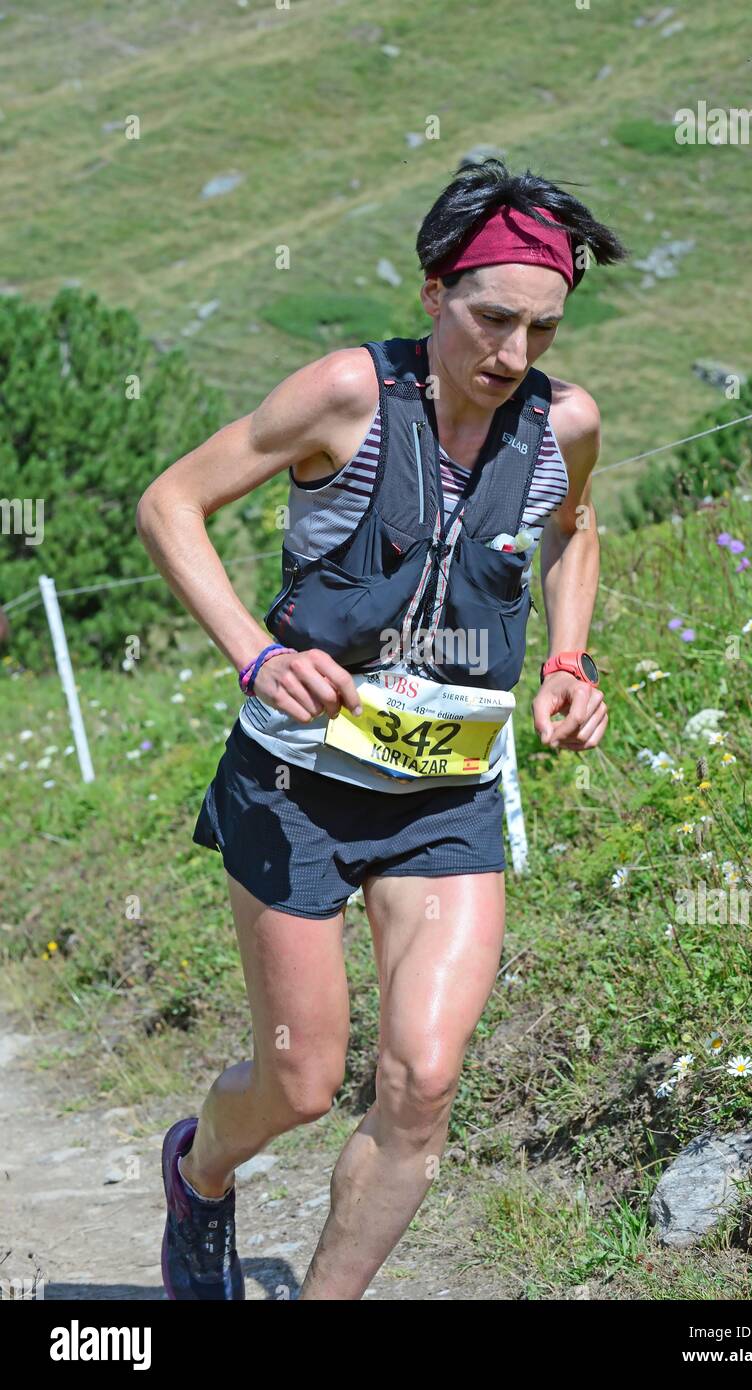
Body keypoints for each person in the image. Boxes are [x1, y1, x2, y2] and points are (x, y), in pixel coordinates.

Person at [136, 157, 628, 1301]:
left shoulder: (566, 423)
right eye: (491, 318)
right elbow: (171, 503)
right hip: (299, 783)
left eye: (541, 330)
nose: (511, 356)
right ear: (433, 294)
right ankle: (202, 1171)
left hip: (450, 790)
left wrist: (567, 657)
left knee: (422, 1078)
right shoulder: (348, 395)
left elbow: (576, 528)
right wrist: (257, 657)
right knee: (302, 1082)